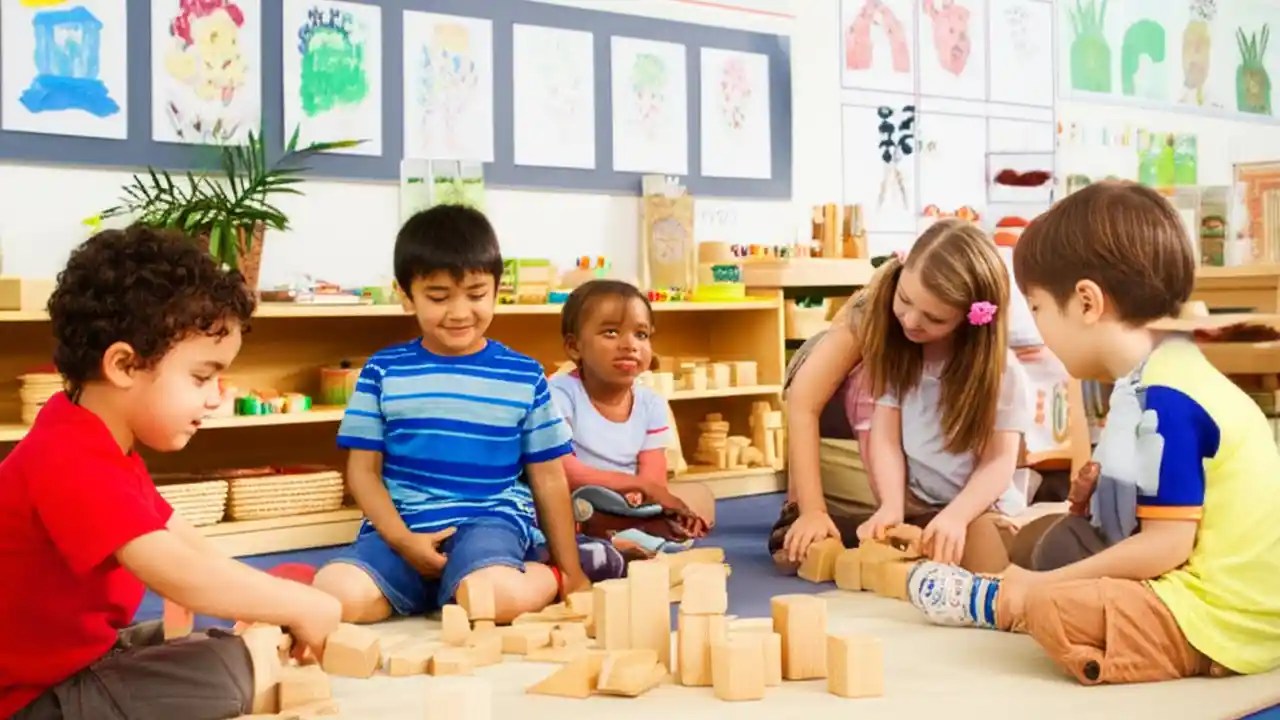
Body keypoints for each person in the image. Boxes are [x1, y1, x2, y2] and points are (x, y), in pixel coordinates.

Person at [908, 180, 1280, 684]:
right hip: (1186, 581)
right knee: (1047, 538)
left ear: (1086, 303)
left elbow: (1164, 547)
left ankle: (1008, 605)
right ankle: (1031, 593)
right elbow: (1139, 514)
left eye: (1037, 308)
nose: (1037, 327)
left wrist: (1038, 588)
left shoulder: (1168, 399)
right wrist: (1091, 500)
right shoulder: (1146, 378)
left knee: (1057, 603)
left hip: (1216, 615)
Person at [0, 226, 342, 719]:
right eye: (202, 376)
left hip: (74, 660)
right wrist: (296, 605)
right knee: (225, 664)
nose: (215, 396)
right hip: (29, 700)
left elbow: (185, 542)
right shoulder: (67, 456)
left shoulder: (97, 442)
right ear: (123, 365)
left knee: (202, 640)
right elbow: (176, 570)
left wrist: (262, 599)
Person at [312, 205, 591, 626]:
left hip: (488, 523)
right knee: (336, 596)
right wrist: (403, 541)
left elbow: (548, 476)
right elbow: (364, 473)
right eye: (439, 297)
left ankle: (542, 573)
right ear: (406, 295)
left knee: (490, 598)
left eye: (476, 294)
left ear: (498, 289)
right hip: (400, 529)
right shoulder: (382, 371)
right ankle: (428, 591)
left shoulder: (524, 373)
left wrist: (571, 572)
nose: (460, 312)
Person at [775, 221, 1045, 572]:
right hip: (917, 500)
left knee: (981, 559)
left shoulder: (1002, 373)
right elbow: (884, 438)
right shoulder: (900, 352)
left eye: (933, 318)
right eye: (904, 300)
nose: (911, 321)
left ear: (969, 319)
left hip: (978, 504)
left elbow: (998, 462)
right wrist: (889, 505)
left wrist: (957, 516)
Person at [548, 280, 713, 549]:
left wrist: (650, 496)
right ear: (574, 346)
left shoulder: (651, 403)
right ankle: (616, 534)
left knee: (701, 496)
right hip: (578, 494)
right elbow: (564, 470)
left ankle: (632, 531)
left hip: (633, 501)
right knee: (554, 504)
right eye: (611, 333)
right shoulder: (559, 394)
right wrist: (637, 486)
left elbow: (654, 473)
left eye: (641, 335)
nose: (630, 345)